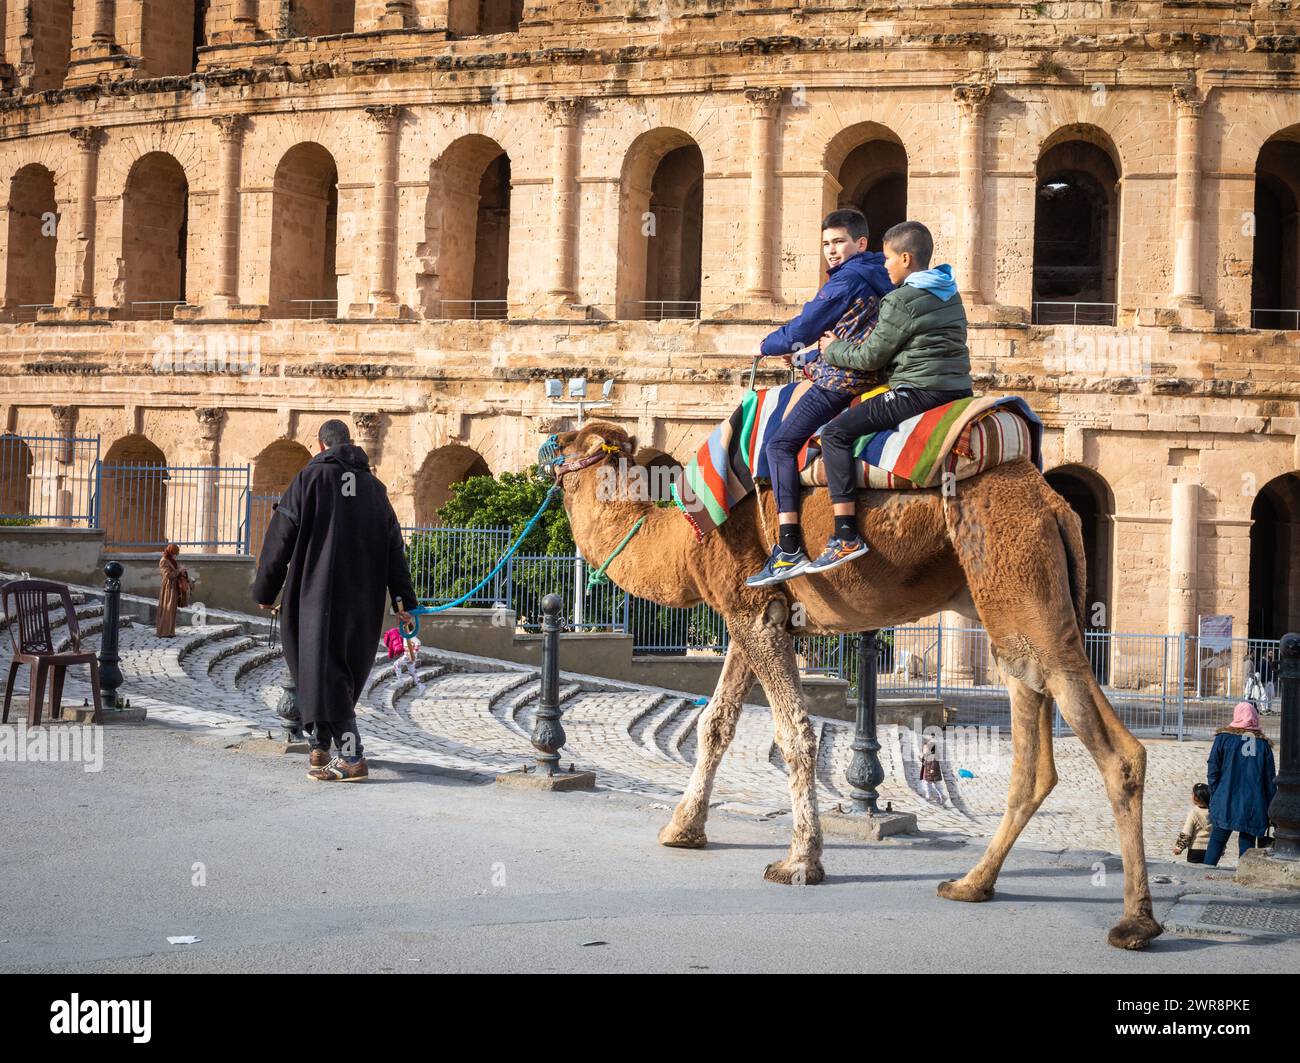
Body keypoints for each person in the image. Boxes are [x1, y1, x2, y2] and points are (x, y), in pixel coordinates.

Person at [802, 220, 975, 573]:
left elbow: (870, 358)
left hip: (919, 392)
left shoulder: (901, 299)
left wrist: (832, 348)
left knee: (835, 434)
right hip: (957, 388)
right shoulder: (950, 291)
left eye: (888, 259)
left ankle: (845, 534)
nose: (884, 266)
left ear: (907, 259)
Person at [252, 419, 418, 782]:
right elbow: (395, 549)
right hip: (364, 602)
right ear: (349, 443)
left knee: (319, 672)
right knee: (336, 673)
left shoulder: (308, 480)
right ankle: (319, 748)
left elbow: (280, 538)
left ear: (320, 445)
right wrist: (404, 602)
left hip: (314, 597)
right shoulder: (375, 489)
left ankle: (352, 755)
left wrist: (266, 590)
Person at [744, 207, 893, 586]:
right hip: (865, 370)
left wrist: (767, 344)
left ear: (861, 243)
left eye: (839, 241)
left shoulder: (846, 281)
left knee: (778, 446)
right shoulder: (879, 274)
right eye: (826, 243)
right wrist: (804, 355)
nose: (831, 250)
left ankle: (789, 548)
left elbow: (809, 323)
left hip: (843, 380)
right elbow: (852, 330)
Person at [1203, 701, 1278, 866]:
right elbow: (1270, 780)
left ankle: (1205, 875)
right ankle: (1243, 878)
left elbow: (1213, 770)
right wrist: (1271, 807)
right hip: (1253, 804)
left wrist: (1216, 794)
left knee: (1216, 842)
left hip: (1226, 798)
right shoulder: (1263, 745)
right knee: (1247, 845)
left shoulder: (1223, 739)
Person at [1172, 782, 1212, 864]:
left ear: (1195, 798)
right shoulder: (1215, 812)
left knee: (1194, 871)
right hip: (1211, 849)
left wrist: (1179, 848)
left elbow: (1187, 832)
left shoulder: (1194, 813)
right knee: (1208, 872)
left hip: (1195, 850)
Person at [155, 544, 190, 638]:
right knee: (167, 609)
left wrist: (182, 571)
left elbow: (175, 572)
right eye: (175, 553)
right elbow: (168, 575)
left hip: (174, 587)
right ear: (171, 552)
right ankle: (163, 632)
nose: (176, 556)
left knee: (172, 610)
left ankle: (170, 631)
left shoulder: (172, 561)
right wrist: (179, 570)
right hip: (168, 588)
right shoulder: (164, 561)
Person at [919, 734, 946, 804]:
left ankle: (936, 795)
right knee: (928, 783)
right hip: (927, 771)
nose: (924, 750)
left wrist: (932, 769)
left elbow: (934, 762)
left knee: (933, 783)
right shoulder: (927, 755)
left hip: (932, 771)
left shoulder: (933, 755)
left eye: (925, 749)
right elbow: (924, 762)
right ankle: (932, 795)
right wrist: (921, 759)